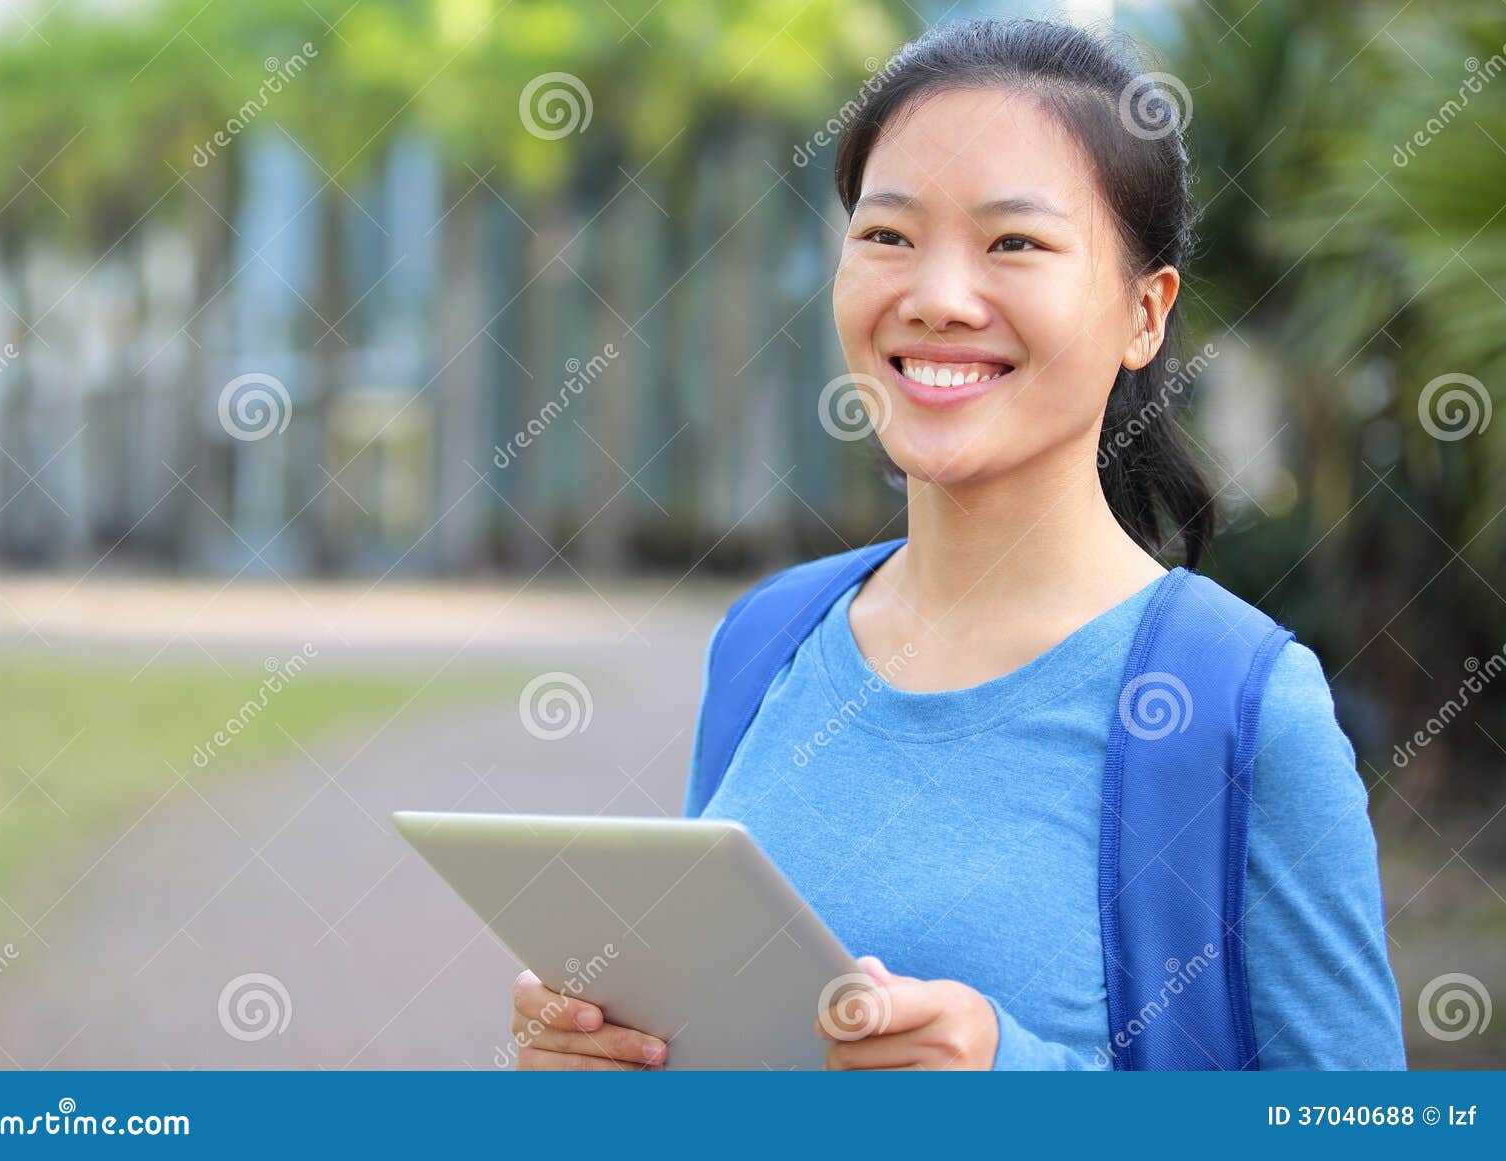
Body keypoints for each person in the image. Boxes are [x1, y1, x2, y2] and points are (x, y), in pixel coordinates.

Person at [509, 16, 1405, 1071]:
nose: (934, 299)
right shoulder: (765, 641)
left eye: (1013, 243)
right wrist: (597, 1071)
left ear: (1144, 313)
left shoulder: (1239, 706)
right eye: (887, 236)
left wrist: (1012, 1080)